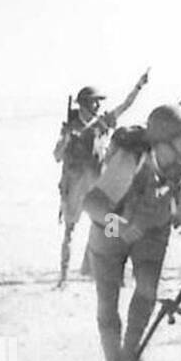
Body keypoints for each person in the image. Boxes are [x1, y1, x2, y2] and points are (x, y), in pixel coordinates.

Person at [82, 104, 181, 361]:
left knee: (147, 291)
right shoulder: (131, 160)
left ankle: (131, 356)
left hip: (151, 230)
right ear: (164, 140)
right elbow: (92, 205)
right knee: (108, 299)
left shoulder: (178, 163)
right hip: (109, 229)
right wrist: (121, 227)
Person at [54, 72, 148, 287]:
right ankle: (64, 276)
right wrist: (67, 139)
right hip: (76, 183)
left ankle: (109, 269)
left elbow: (125, 106)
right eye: (94, 102)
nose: (98, 106)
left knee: (110, 225)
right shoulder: (70, 127)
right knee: (70, 229)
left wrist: (138, 86)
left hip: (99, 182)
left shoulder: (102, 124)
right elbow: (56, 156)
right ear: (85, 104)